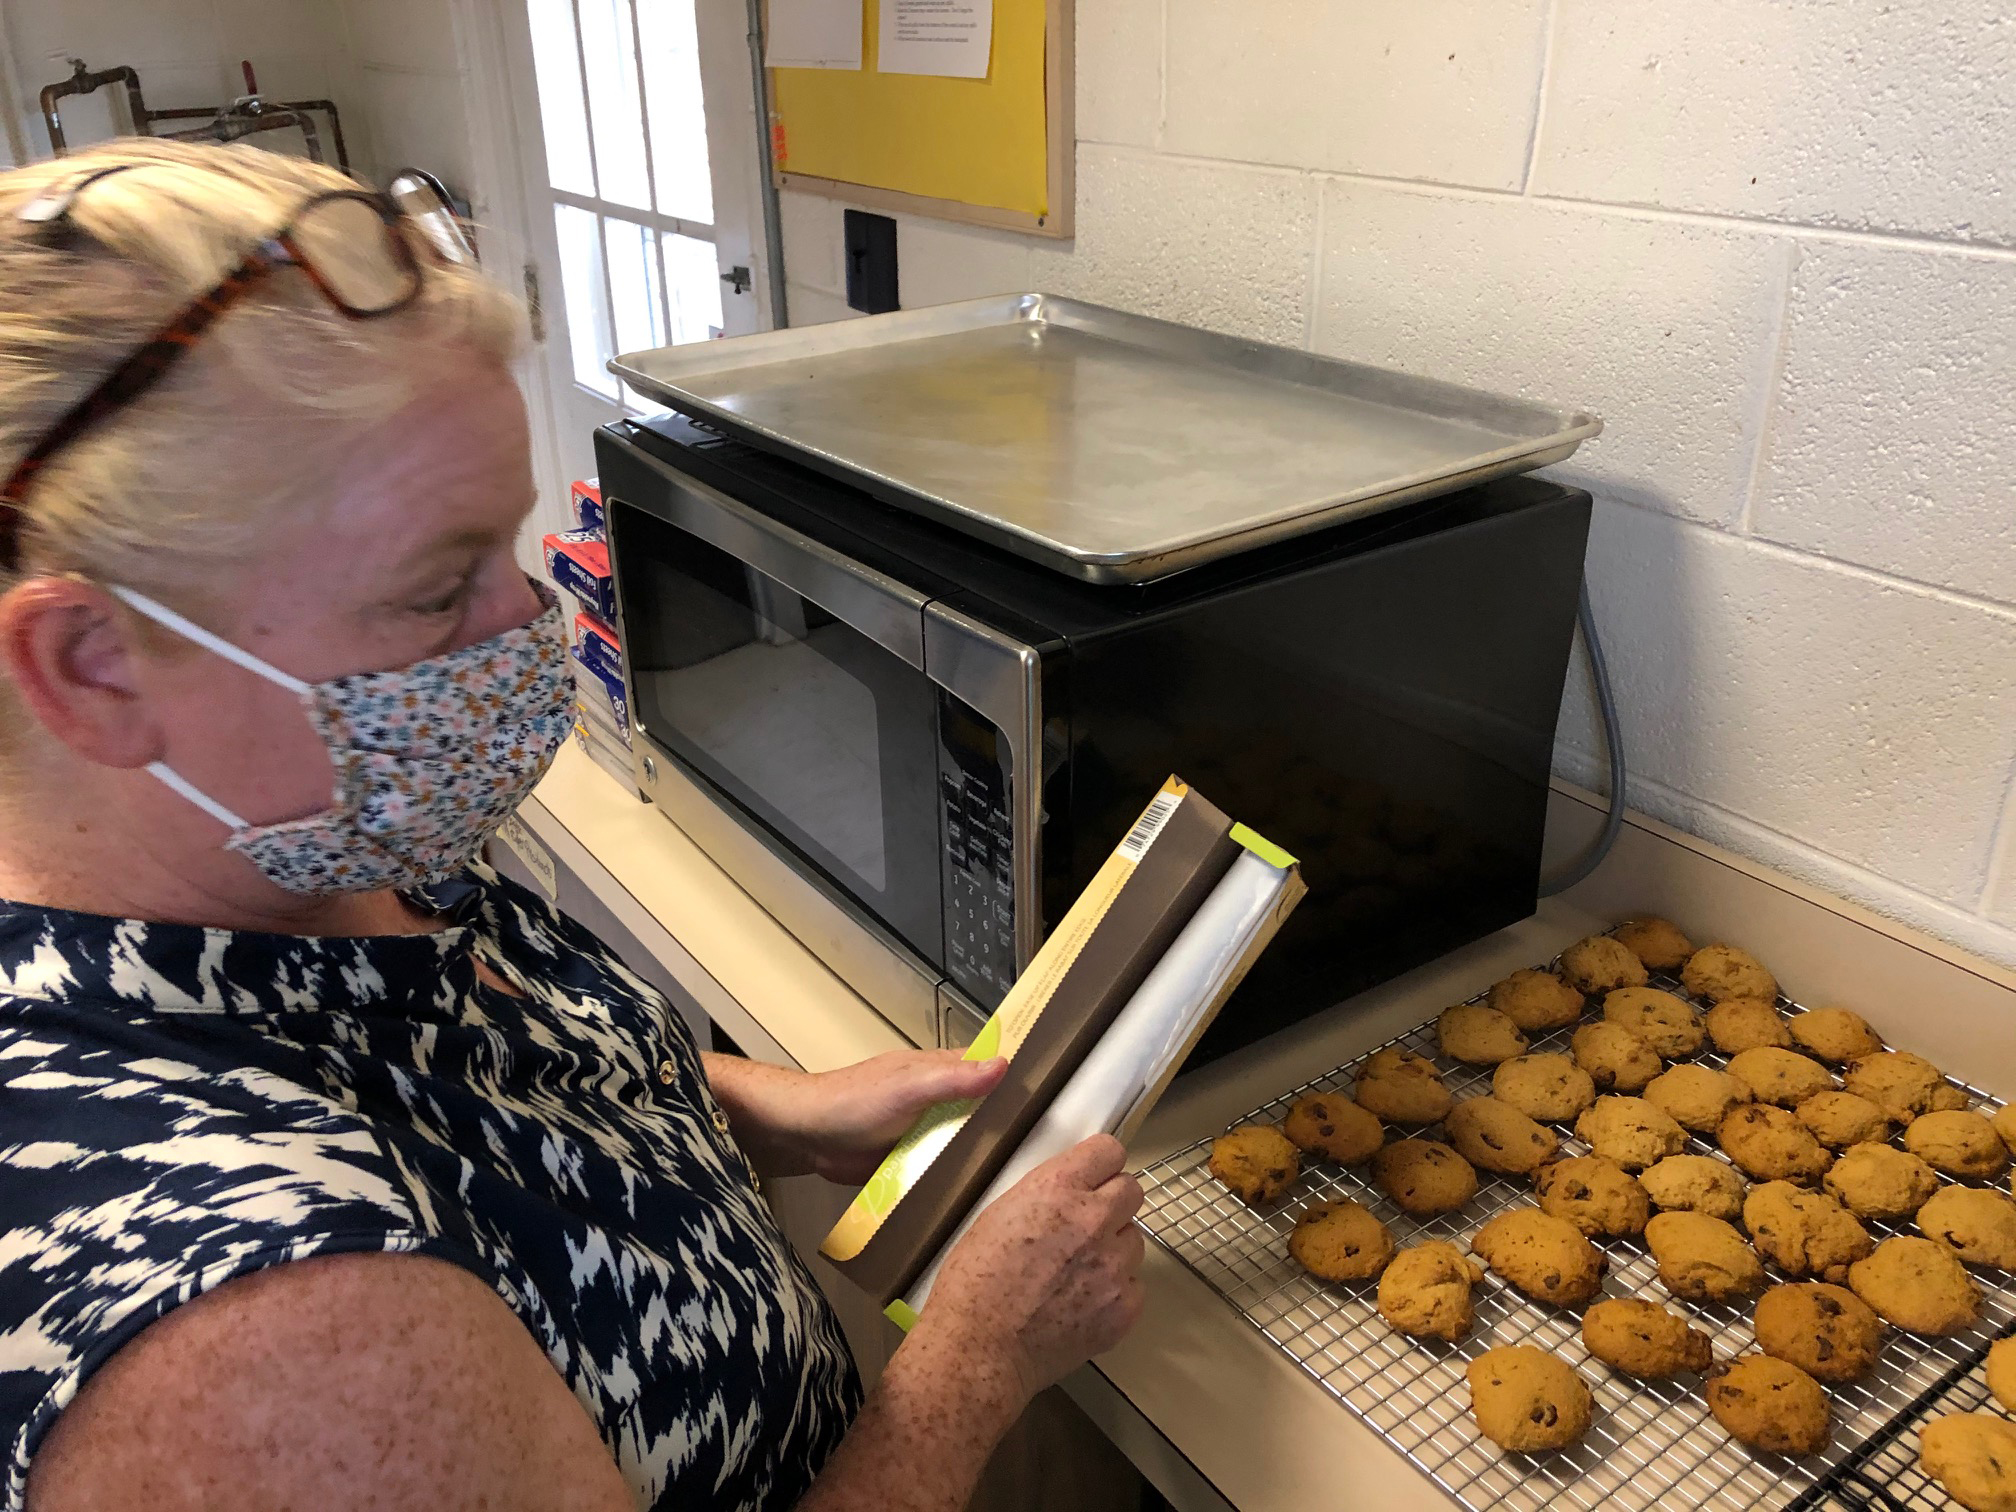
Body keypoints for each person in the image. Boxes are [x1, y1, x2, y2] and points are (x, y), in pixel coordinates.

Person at [0, 139, 1144, 1512]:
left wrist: (765, 1109)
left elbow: (470, 1095)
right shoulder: (256, 1342)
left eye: (508, 542)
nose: (528, 623)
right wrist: (976, 1365)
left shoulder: (313, 841)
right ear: (95, 669)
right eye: (434, 593)